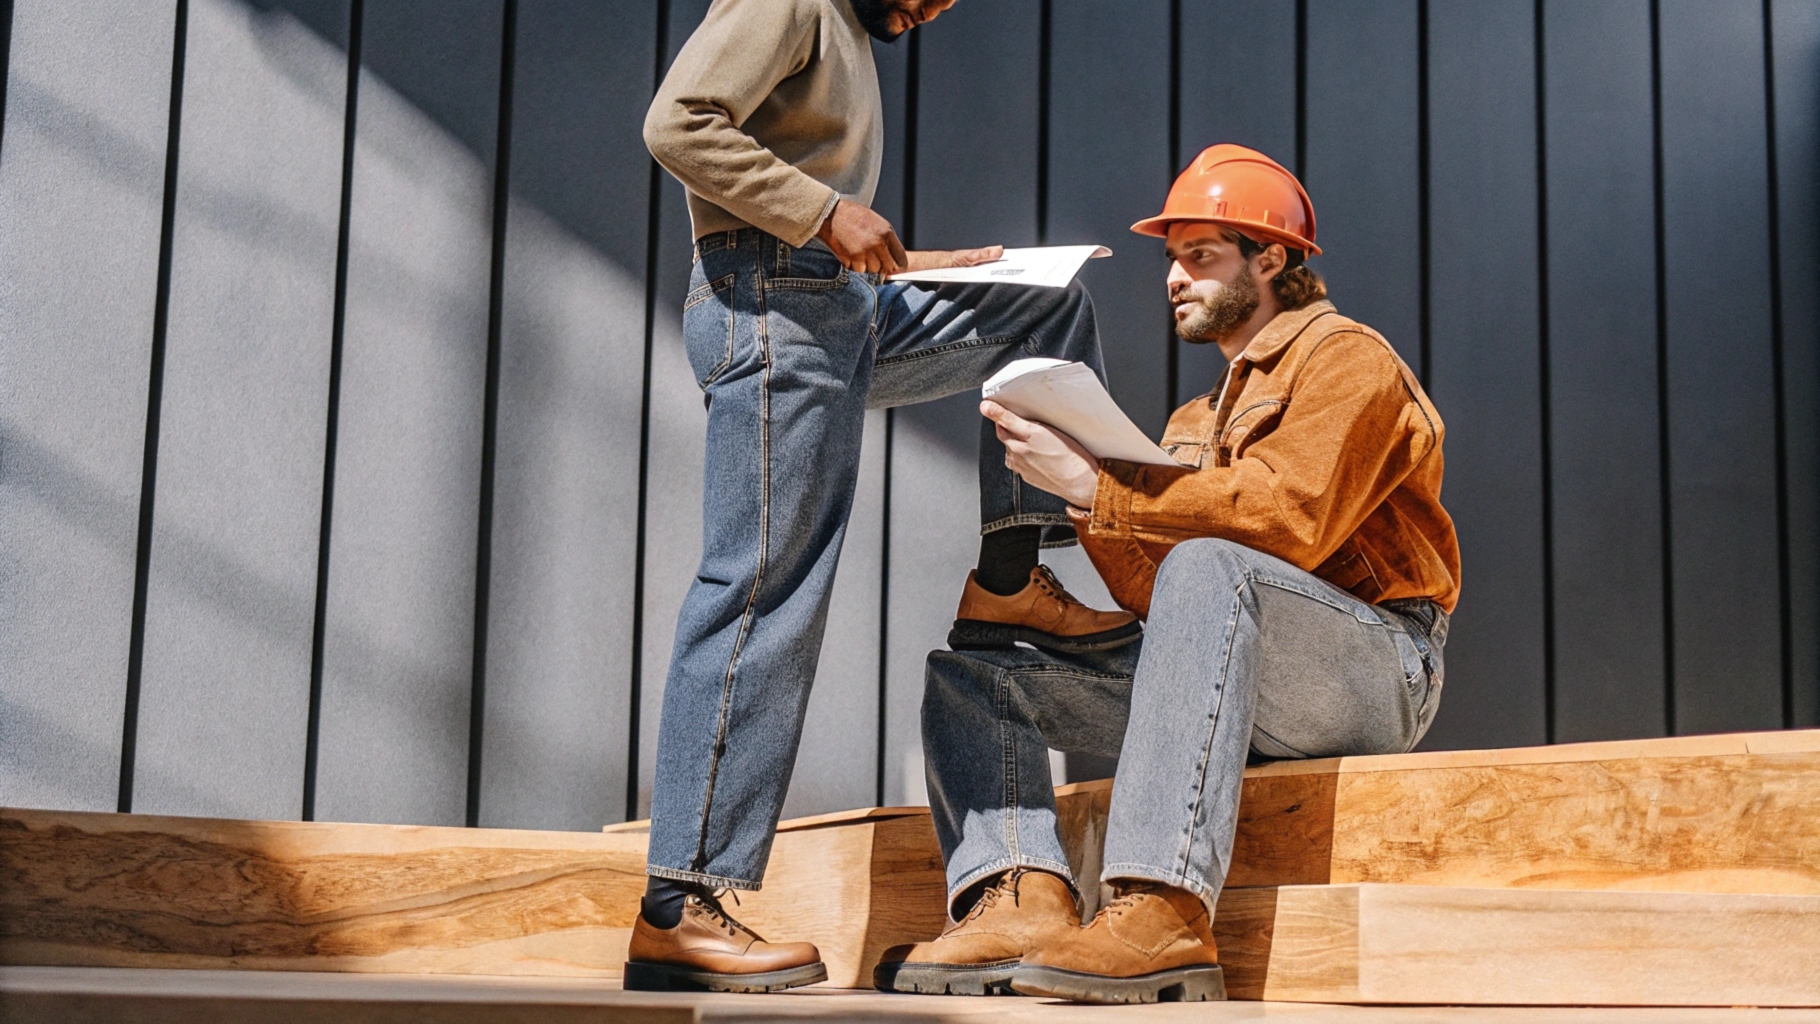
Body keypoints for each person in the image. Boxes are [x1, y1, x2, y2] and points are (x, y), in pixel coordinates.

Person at [626, 0, 1135, 993]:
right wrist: (826, 215)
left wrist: (904, 265)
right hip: (772, 304)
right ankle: (677, 905)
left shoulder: (853, 34)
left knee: (1045, 306)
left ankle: (1007, 579)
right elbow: (676, 121)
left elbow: (822, 220)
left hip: (835, 299)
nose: (934, 7)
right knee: (761, 588)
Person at [874, 144, 1461, 1004]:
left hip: (1377, 668)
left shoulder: (1347, 359)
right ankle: (1018, 898)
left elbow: (1287, 522)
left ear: (1273, 259)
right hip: (1237, 664)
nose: (1175, 278)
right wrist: (1078, 495)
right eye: (1172, 260)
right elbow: (1160, 596)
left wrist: (1098, 485)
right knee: (977, 675)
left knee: (1212, 564)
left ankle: (1160, 909)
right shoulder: (1195, 416)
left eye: (1201, 256)